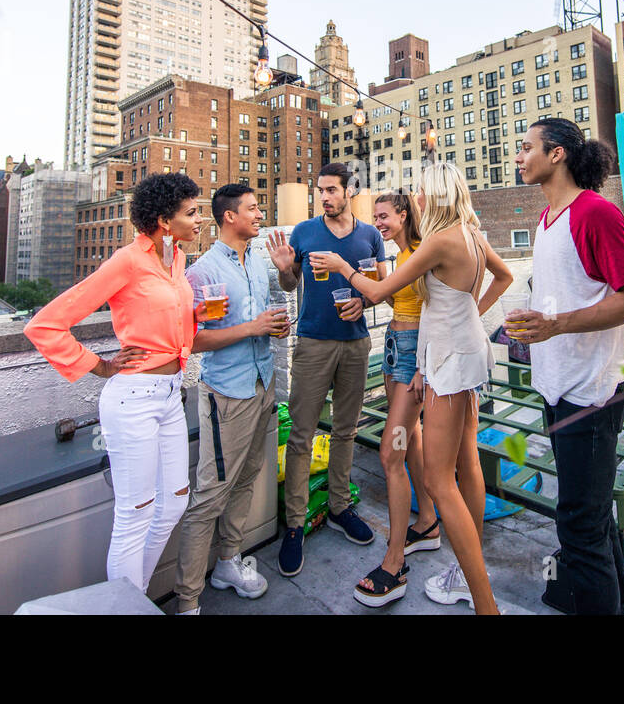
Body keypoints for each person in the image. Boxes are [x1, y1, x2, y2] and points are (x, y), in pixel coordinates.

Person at [311, 161, 513, 615]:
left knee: (440, 482)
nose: (416, 198)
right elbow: (504, 277)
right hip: (463, 353)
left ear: (436, 195)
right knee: (466, 459)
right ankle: (464, 571)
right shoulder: (472, 234)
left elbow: (379, 293)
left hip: (442, 360)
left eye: (421, 193)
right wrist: (469, 316)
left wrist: (344, 266)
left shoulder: (439, 241)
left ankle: (484, 604)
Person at [25, 172, 208, 593]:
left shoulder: (177, 259)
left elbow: (166, 322)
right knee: (135, 513)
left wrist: (200, 317)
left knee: (175, 501)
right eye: (192, 213)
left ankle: (132, 597)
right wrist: (101, 366)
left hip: (170, 394)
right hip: (133, 399)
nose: (200, 220)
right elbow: (47, 325)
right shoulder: (127, 260)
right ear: (164, 220)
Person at [508, 118, 624, 615]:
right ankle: (621, 601)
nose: (518, 157)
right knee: (592, 518)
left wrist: (557, 324)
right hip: (558, 389)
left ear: (556, 155)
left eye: (526, 147)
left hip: (590, 394)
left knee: (579, 525)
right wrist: (535, 321)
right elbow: (565, 295)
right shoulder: (549, 220)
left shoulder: (595, 213)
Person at [172, 184, 292, 614]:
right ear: (229, 217)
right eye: (253, 209)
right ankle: (187, 602)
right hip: (227, 394)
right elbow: (196, 341)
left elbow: (261, 319)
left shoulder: (258, 263)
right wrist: (253, 328)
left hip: (263, 385)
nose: (260, 215)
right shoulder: (204, 271)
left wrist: (275, 327)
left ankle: (227, 563)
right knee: (209, 495)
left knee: (246, 478)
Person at [265, 162, 386, 577]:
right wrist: (285, 267)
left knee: (346, 430)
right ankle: (295, 525)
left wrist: (364, 303)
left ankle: (338, 507)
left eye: (332, 190)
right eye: (320, 190)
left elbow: (380, 287)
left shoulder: (370, 236)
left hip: (355, 343)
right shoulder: (303, 232)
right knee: (301, 434)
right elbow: (288, 285)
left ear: (350, 191)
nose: (325, 197)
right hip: (313, 343)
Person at [352, 191, 440, 607]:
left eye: (384, 217)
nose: (379, 224)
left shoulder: (423, 251)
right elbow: (396, 298)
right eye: (375, 217)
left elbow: (436, 312)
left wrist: (423, 366)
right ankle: (427, 522)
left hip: (411, 355)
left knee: (391, 453)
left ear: (405, 215)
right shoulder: (403, 254)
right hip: (393, 344)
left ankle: (394, 562)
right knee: (411, 438)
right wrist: (371, 292)